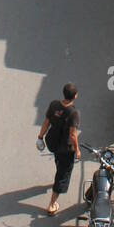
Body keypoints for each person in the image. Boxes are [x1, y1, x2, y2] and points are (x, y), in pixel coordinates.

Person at [37, 84, 81, 215]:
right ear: (75, 96)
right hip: (65, 148)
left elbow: (46, 121)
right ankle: (52, 205)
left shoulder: (54, 105)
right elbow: (73, 134)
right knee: (63, 174)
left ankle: (58, 173)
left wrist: (40, 137)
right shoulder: (73, 113)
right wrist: (77, 150)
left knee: (59, 162)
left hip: (52, 142)